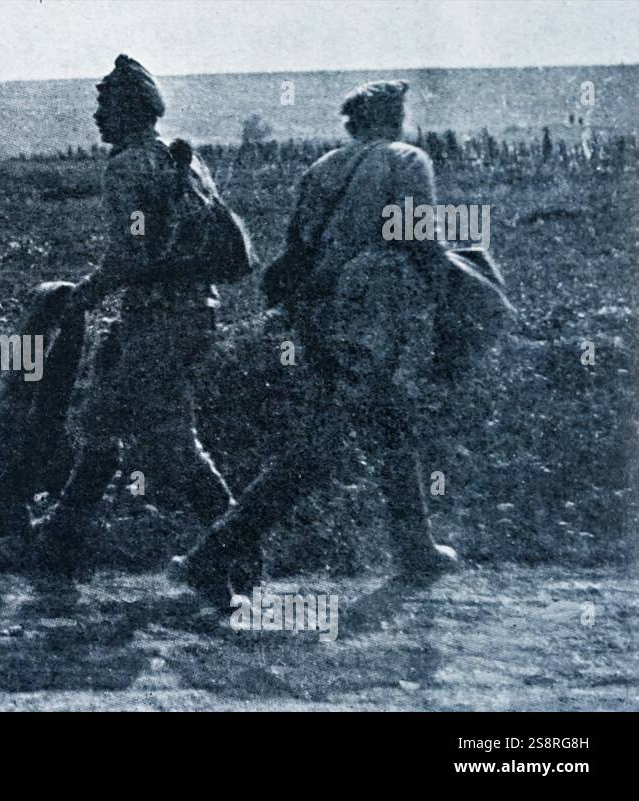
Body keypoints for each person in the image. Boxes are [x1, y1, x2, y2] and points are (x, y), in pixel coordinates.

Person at [170, 79, 458, 607]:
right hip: (370, 319)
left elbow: (297, 251)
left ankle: (413, 548)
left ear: (353, 122)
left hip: (318, 318)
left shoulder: (322, 168)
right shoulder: (408, 160)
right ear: (394, 117)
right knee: (330, 445)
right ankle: (213, 553)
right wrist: (452, 295)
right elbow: (419, 235)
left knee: (367, 431)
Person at [31, 55, 246, 583]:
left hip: (161, 320)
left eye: (105, 106)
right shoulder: (181, 158)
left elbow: (132, 254)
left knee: (170, 438)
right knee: (102, 420)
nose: (98, 117)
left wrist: (85, 295)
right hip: (183, 313)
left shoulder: (128, 165)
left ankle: (234, 552)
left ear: (129, 111)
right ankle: (59, 542)